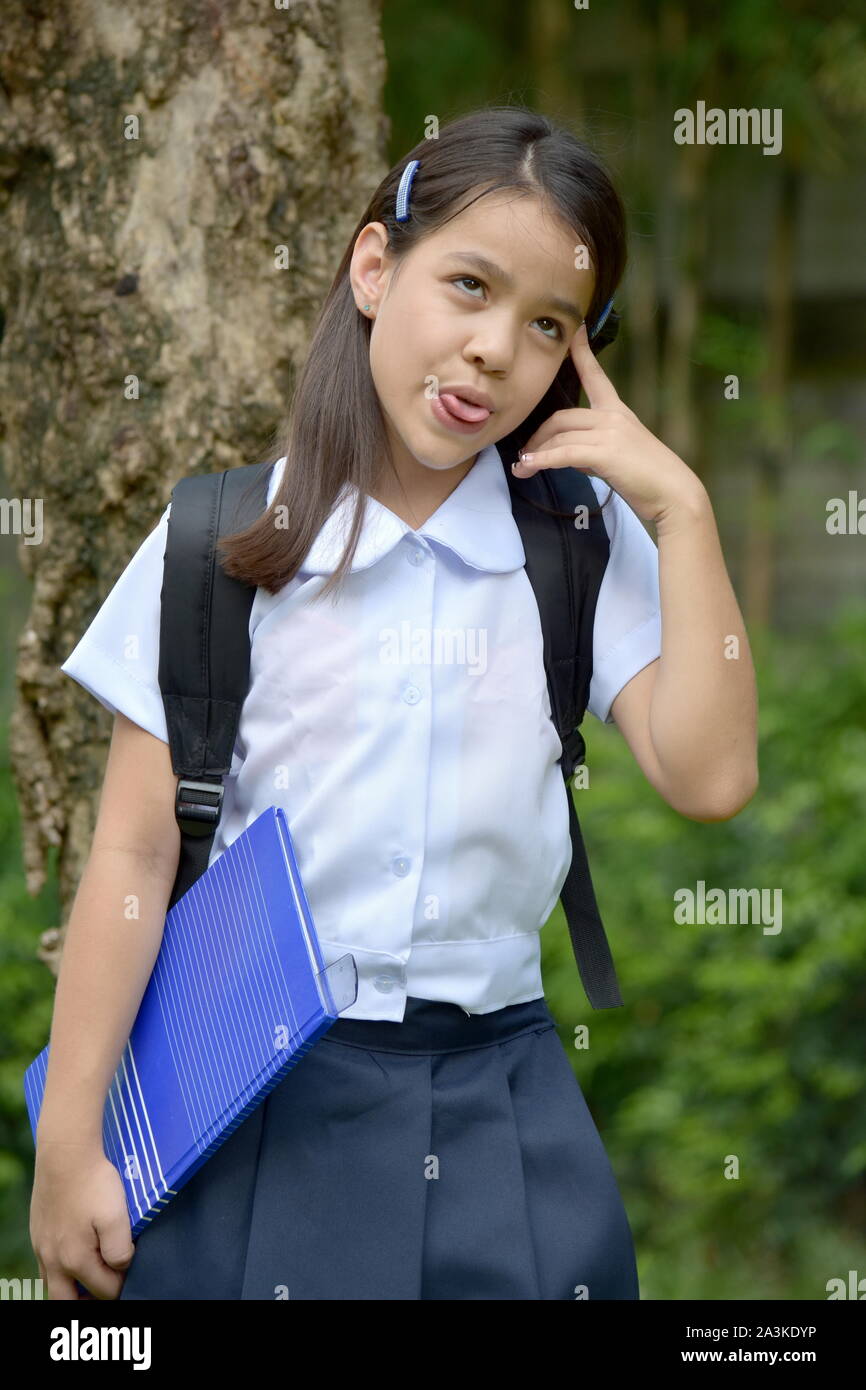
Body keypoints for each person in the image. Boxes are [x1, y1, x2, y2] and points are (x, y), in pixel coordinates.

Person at [30, 104, 758, 1301]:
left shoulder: (577, 539)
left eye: (545, 326)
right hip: (252, 1103)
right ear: (374, 267)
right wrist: (68, 1147)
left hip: (497, 1102)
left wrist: (679, 508)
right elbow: (134, 847)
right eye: (466, 285)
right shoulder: (222, 540)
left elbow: (710, 777)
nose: (490, 350)